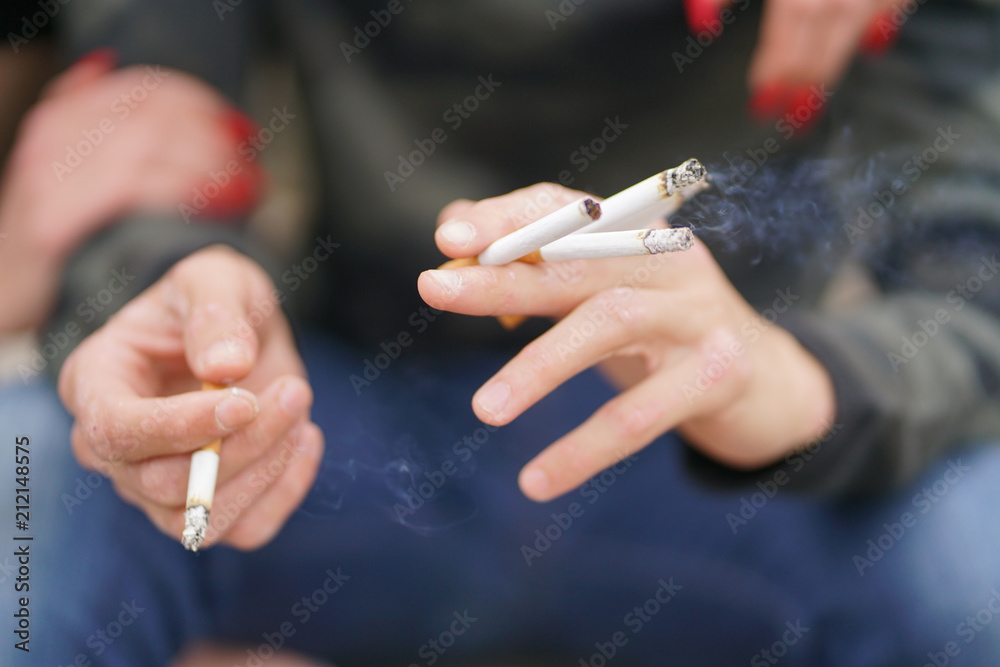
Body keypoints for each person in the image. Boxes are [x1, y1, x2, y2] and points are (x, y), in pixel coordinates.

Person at [10, 0, 1000, 664]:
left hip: (737, 458)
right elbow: (151, 109)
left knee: (976, 550)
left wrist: (795, 387)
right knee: (26, 477)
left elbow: (973, 283)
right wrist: (171, 301)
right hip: (328, 425)